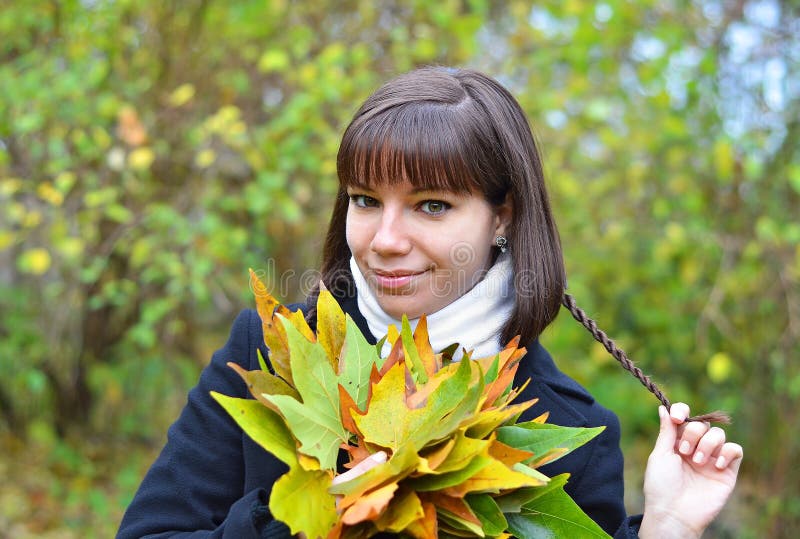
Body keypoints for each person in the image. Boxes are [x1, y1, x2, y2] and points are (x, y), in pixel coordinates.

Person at [117, 67, 742, 538]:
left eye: (431, 205)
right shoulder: (271, 353)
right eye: (365, 199)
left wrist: (667, 527)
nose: (386, 241)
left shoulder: (568, 430)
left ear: (502, 216)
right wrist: (308, 508)